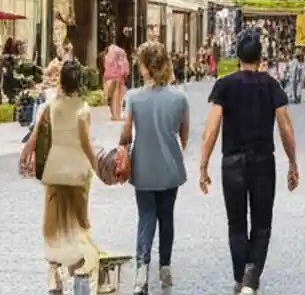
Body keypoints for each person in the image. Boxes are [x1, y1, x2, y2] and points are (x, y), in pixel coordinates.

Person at [199, 28, 299, 295]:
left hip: (231, 162)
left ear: (238, 55)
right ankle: (251, 277)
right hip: (263, 162)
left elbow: (212, 127)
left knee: (236, 224)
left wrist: (203, 164)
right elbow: (285, 126)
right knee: (262, 223)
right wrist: (292, 162)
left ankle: (240, 277)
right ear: (260, 56)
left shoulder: (224, 85)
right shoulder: (272, 85)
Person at [20, 60, 102, 295]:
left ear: (61, 81)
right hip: (78, 173)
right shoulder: (83, 110)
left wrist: (24, 158)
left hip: (54, 171)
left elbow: (33, 139)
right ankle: (78, 269)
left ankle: (54, 277)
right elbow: (86, 145)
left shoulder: (49, 107)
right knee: (78, 223)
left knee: (53, 225)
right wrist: (98, 166)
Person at [120, 42, 189, 295]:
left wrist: (121, 146)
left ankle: (141, 274)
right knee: (166, 218)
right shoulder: (179, 97)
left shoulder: (133, 98)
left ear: (147, 68)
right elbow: (184, 135)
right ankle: (165, 267)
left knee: (146, 218)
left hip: (144, 167)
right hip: (170, 167)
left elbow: (127, 132)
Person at [103, 39, 130, 122]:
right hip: (120, 76)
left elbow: (107, 64)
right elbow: (125, 65)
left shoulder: (109, 52)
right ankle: (118, 114)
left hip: (111, 76)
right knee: (119, 97)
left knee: (112, 97)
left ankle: (114, 115)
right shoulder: (122, 53)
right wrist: (125, 74)